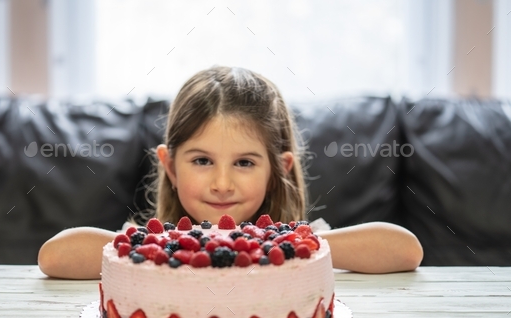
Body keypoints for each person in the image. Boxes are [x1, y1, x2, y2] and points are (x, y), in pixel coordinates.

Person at [38, 66, 423, 279]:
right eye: (202, 161)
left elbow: (406, 250)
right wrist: (162, 249)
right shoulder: (154, 245)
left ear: (278, 170)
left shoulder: (302, 243)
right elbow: (53, 258)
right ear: (170, 167)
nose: (222, 184)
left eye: (244, 162)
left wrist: (283, 248)